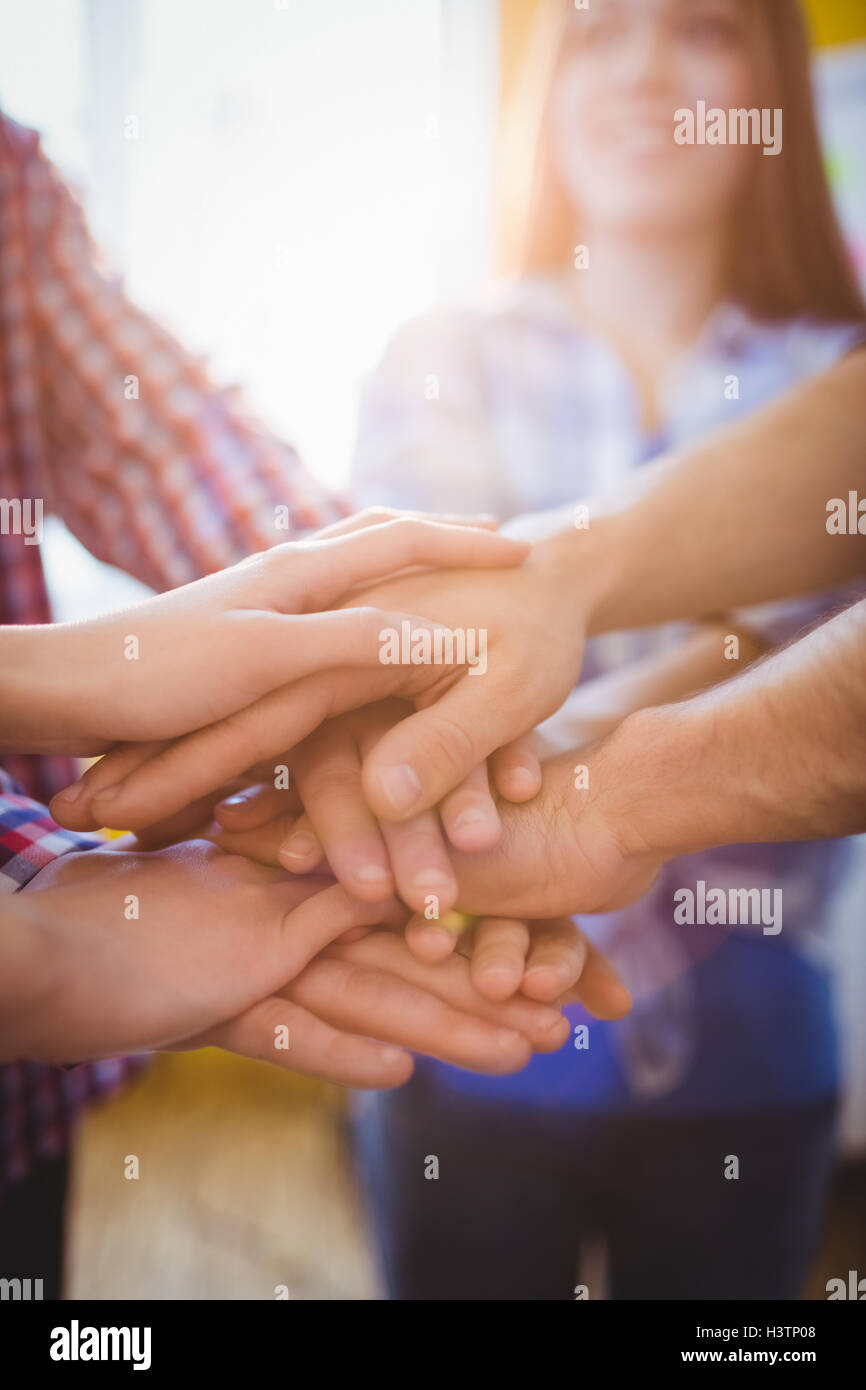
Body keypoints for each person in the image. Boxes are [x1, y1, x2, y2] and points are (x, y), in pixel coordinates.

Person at [270, 0, 865, 1300]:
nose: (645, 69)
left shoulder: (842, 372)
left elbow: (837, 664)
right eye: (596, 32)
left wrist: (571, 734)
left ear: (771, 83)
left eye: (701, 30)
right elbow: (416, 663)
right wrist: (735, 641)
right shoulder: (442, 353)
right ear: (540, 89)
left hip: (751, 1044)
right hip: (458, 1020)